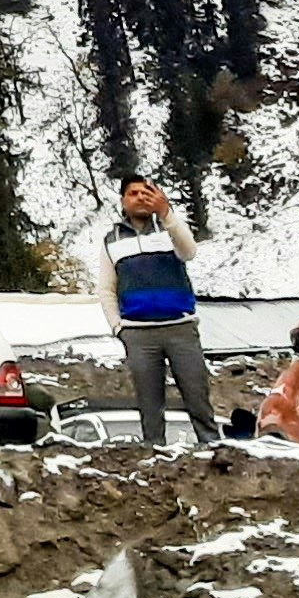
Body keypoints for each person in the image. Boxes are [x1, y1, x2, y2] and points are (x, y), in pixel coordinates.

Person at [96, 181, 212, 449]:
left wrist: (166, 213)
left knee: (196, 393)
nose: (139, 198)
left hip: (180, 327)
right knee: (149, 402)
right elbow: (106, 289)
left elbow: (189, 251)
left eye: (145, 193)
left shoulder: (169, 228)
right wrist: (118, 327)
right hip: (138, 332)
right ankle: (154, 453)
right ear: (123, 200)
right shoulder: (112, 240)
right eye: (133, 194)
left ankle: (211, 447)